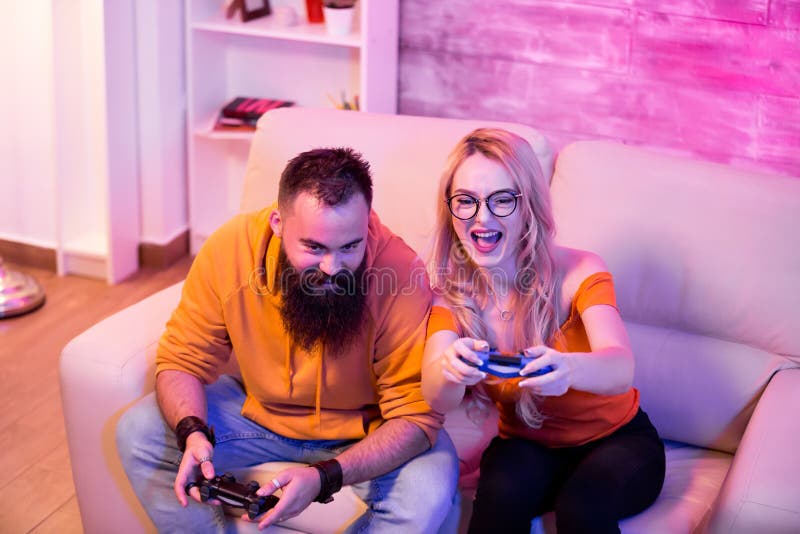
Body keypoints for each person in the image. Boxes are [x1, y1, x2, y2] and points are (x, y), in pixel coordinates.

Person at [117, 147, 458, 533]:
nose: (332, 267)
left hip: (366, 430)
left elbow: (415, 416)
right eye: (314, 247)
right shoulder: (230, 248)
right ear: (278, 223)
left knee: (430, 487)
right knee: (138, 432)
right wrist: (191, 431)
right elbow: (181, 360)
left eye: (350, 246)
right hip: (257, 413)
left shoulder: (400, 272)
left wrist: (324, 477)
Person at [422, 128, 665, 533]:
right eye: (465, 200)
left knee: (582, 508)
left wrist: (569, 369)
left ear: (528, 205)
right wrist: (449, 369)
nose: (482, 218)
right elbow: (436, 396)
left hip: (619, 441)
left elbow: (620, 367)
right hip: (526, 446)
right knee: (498, 503)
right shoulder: (452, 295)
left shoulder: (581, 271)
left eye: (502, 199)